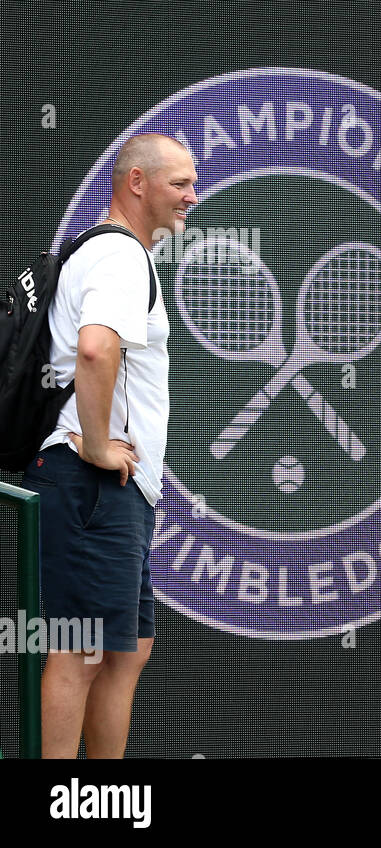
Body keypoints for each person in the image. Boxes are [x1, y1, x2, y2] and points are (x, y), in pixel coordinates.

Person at [21, 134, 196, 757]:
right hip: (90, 481)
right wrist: (97, 446)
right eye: (180, 184)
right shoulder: (119, 255)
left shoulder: (117, 255)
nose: (192, 197)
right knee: (80, 653)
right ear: (137, 183)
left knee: (125, 652)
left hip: (116, 490)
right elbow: (97, 348)